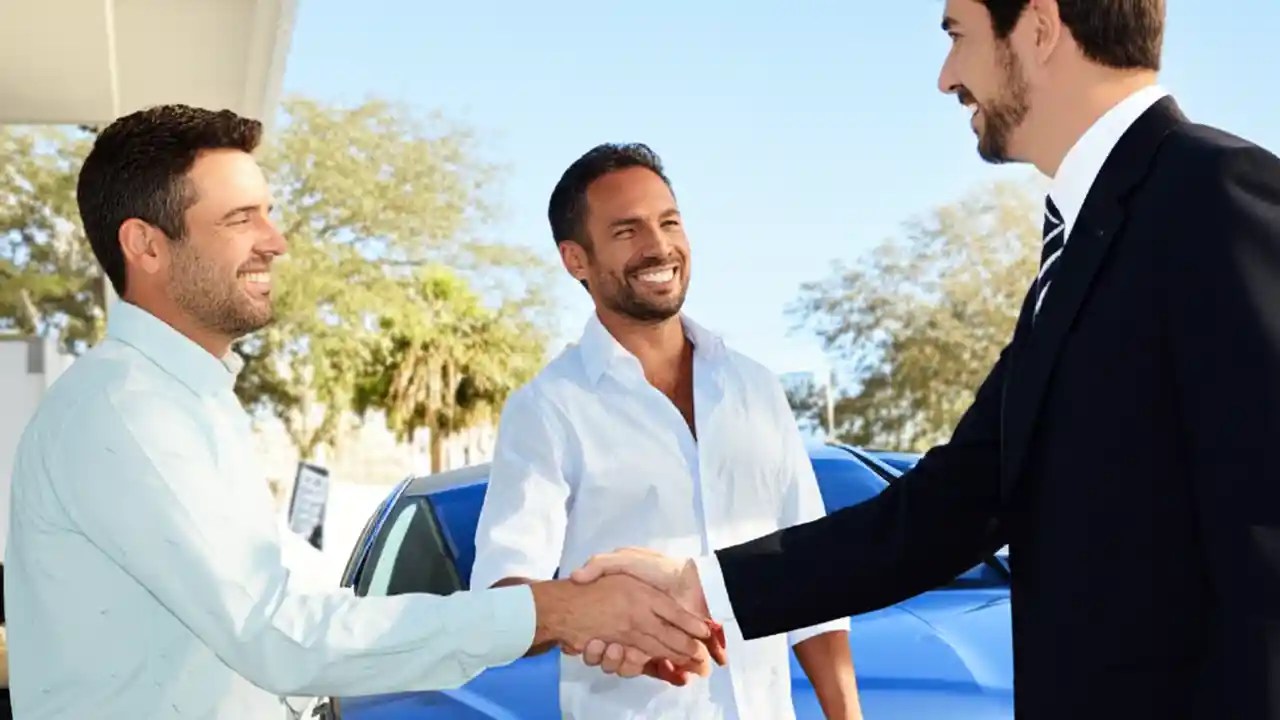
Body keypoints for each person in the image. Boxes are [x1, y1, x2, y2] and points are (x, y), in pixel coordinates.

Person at [571, 1, 1280, 718]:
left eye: (957, 35)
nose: (947, 78)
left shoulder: (1213, 196)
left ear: (1038, 26)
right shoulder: (1083, 247)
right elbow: (952, 503)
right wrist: (699, 588)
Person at [2, 105, 722, 720]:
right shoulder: (129, 413)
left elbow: (313, 605)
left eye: (269, 213)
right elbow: (280, 634)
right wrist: (561, 611)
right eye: (240, 218)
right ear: (146, 245)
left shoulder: (187, 405)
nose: (275, 240)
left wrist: (573, 605)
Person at [469, 143, 861, 720]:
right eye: (627, 231)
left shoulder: (755, 388)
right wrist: (590, 613)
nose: (659, 246)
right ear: (576, 259)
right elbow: (502, 597)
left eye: (668, 222)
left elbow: (813, 582)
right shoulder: (547, 409)